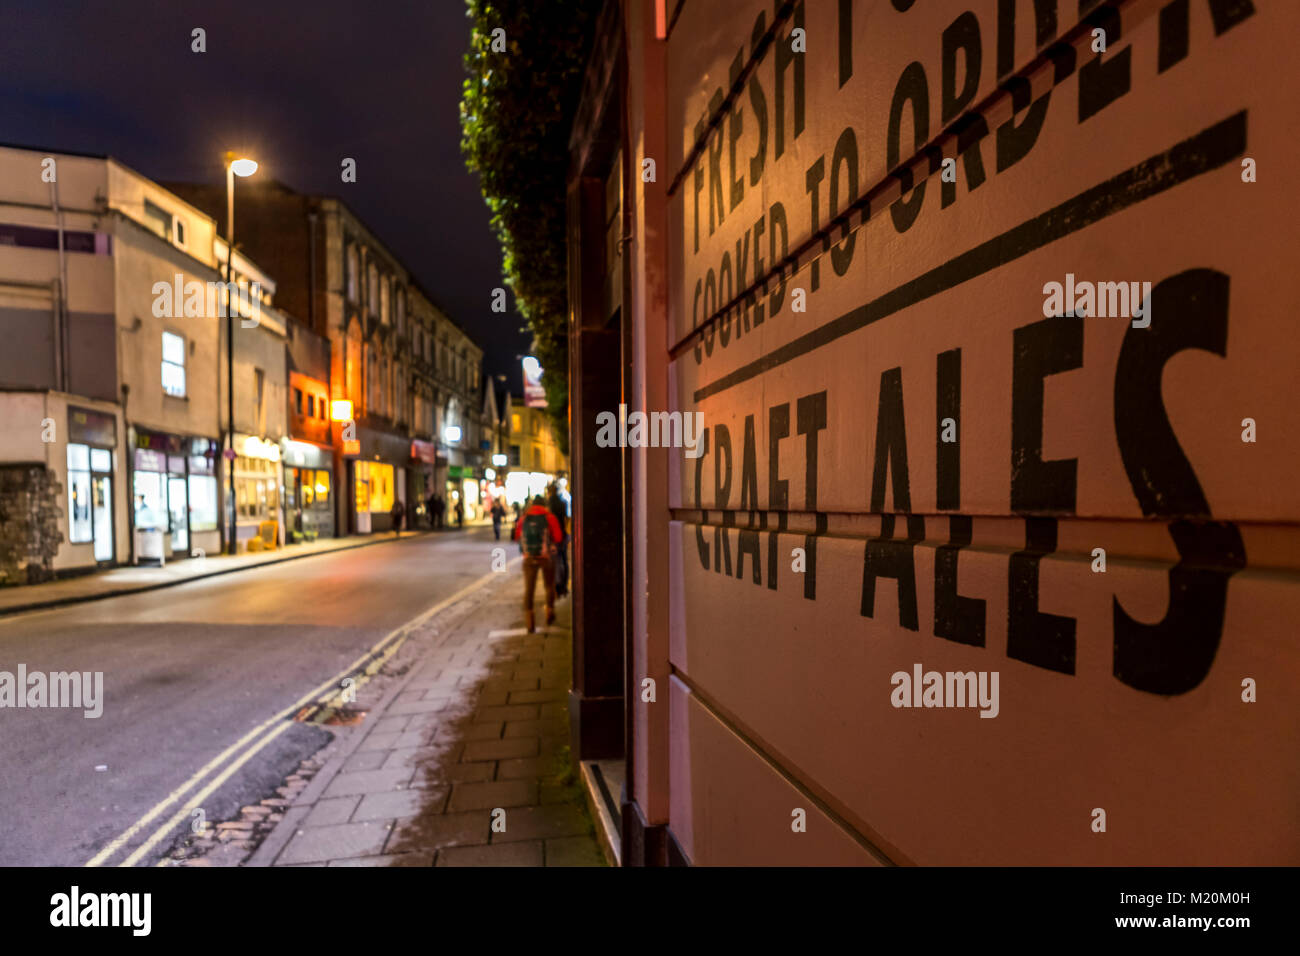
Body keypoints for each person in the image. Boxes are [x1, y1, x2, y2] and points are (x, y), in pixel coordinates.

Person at [513, 494, 563, 633]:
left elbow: (517, 536)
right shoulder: (550, 517)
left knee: (529, 589)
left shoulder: (524, 518)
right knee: (549, 585)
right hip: (546, 557)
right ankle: (550, 612)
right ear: (544, 504)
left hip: (529, 558)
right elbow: (558, 537)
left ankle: (530, 621)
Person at [546, 483, 569, 598]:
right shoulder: (562, 503)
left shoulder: (549, 505)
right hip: (562, 535)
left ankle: (557, 587)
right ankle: (564, 586)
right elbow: (565, 519)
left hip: (554, 537)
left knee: (554, 563)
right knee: (563, 560)